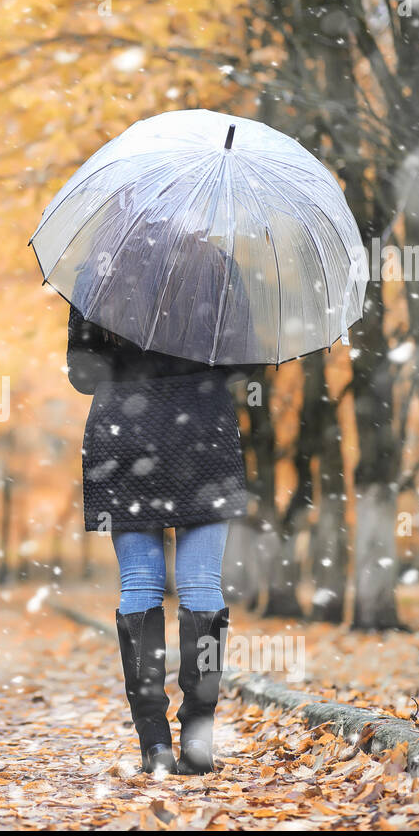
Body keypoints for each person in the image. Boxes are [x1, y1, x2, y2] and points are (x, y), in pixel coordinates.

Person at [66, 301, 251, 775]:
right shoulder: (218, 269)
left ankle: (154, 745)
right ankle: (198, 739)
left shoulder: (100, 279)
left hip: (123, 433)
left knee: (139, 585)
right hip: (203, 434)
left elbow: (83, 376)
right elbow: (242, 365)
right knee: (202, 583)